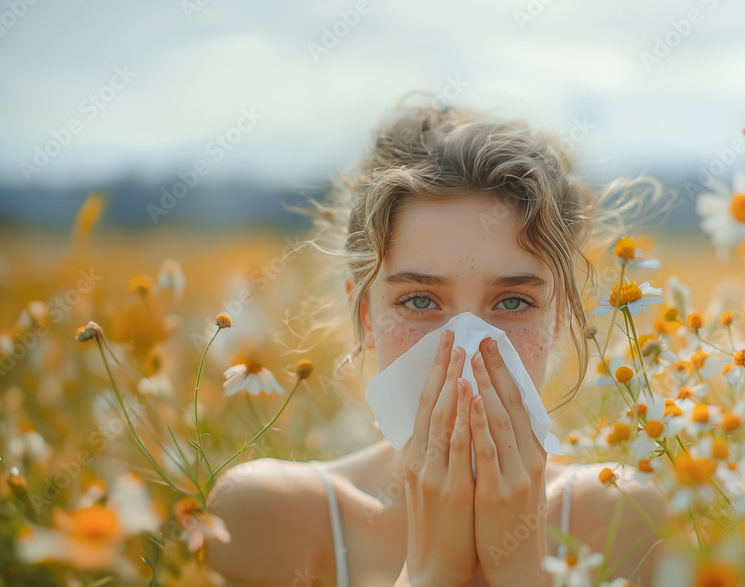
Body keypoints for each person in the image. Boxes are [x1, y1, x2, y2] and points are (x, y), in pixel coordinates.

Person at [205, 92, 667, 586]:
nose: (465, 347)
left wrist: (521, 570)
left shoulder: (618, 516)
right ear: (366, 315)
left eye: (513, 302)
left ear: (558, 320)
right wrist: (429, 574)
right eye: (420, 300)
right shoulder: (269, 515)